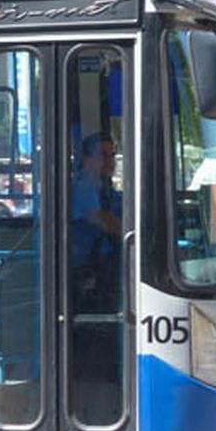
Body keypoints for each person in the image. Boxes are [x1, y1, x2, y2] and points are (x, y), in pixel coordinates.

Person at [70, 132, 123, 313]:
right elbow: (103, 221)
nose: (110, 161)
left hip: (100, 264)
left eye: (113, 155)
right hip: (84, 270)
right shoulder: (83, 185)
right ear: (86, 160)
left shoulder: (105, 187)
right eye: (102, 156)